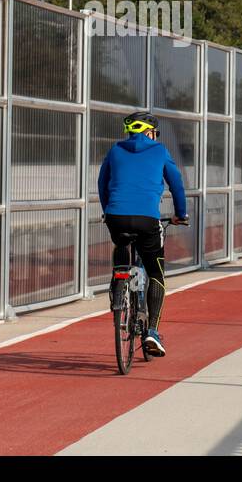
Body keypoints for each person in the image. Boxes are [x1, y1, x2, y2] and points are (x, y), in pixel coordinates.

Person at [97, 110, 187, 357]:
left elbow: (102, 183)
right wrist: (181, 213)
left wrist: (108, 211)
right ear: (149, 132)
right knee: (156, 272)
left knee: (121, 245)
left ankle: (119, 285)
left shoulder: (115, 150)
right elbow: (176, 183)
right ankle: (153, 332)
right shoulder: (159, 150)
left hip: (116, 217)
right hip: (147, 219)